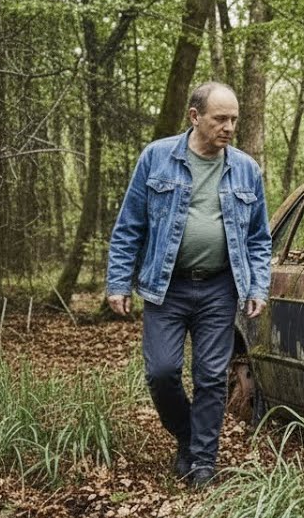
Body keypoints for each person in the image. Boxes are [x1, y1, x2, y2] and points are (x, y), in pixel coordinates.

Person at [106, 82, 271, 487]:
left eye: (234, 118)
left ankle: (202, 464)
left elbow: (258, 238)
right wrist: (117, 282)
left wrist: (257, 286)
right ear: (195, 117)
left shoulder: (246, 169)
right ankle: (187, 436)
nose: (229, 126)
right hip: (166, 287)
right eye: (220, 118)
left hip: (220, 288)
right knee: (161, 373)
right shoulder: (157, 158)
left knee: (212, 376)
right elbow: (130, 227)